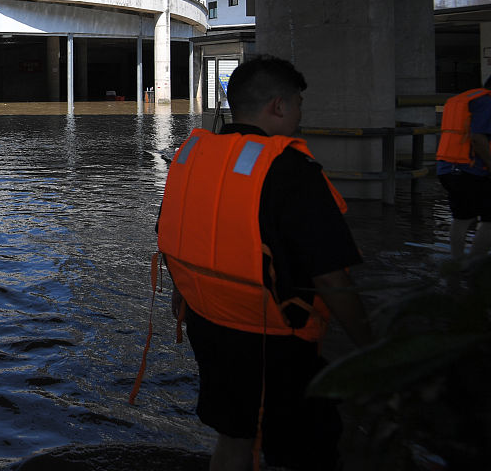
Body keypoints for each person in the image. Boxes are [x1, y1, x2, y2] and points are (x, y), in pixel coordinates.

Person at [157, 55, 373, 471]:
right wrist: (371, 346)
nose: (299, 114)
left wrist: (183, 298)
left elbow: (173, 237)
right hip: (275, 337)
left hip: (206, 323)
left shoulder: (191, 156)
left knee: (234, 435)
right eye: (298, 104)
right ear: (279, 105)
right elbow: (332, 277)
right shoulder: (291, 169)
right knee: (306, 450)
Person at [436, 75, 491, 260]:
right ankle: (476, 265)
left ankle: (456, 264)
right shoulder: (486, 102)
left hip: (447, 168)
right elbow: (478, 139)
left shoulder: (464, 99)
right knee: (488, 220)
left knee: (462, 218)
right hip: (471, 170)